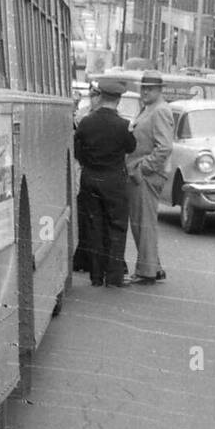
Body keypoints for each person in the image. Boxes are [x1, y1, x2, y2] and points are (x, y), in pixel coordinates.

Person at [73, 77, 137, 287]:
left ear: (100, 97)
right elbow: (131, 148)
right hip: (114, 181)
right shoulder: (123, 125)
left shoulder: (86, 122)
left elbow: (77, 150)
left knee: (94, 226)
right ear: (118, 100)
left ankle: (96, 276)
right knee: (116, 227)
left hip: (90, 178)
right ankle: (114, 276)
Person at [126, 71, 175, 284]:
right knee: (143, 222)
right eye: (143, 87)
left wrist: (143, 168)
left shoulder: (160, 111)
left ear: (160, 90)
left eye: (150, 88)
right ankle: (153, 267)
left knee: (142, 223)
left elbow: (164, 147)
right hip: (142, 173)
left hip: (146, 175)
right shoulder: (149, 108)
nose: (144, 91)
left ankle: (146, 271)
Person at [71, 82, 102, 272]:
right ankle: (83, 257)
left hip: (92, 169)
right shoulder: (82, 115)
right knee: (83, 215)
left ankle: (92, 259)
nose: (94, 98)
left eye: (97, 94)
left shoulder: (104, 116)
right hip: (81, 167)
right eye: (92, 94)